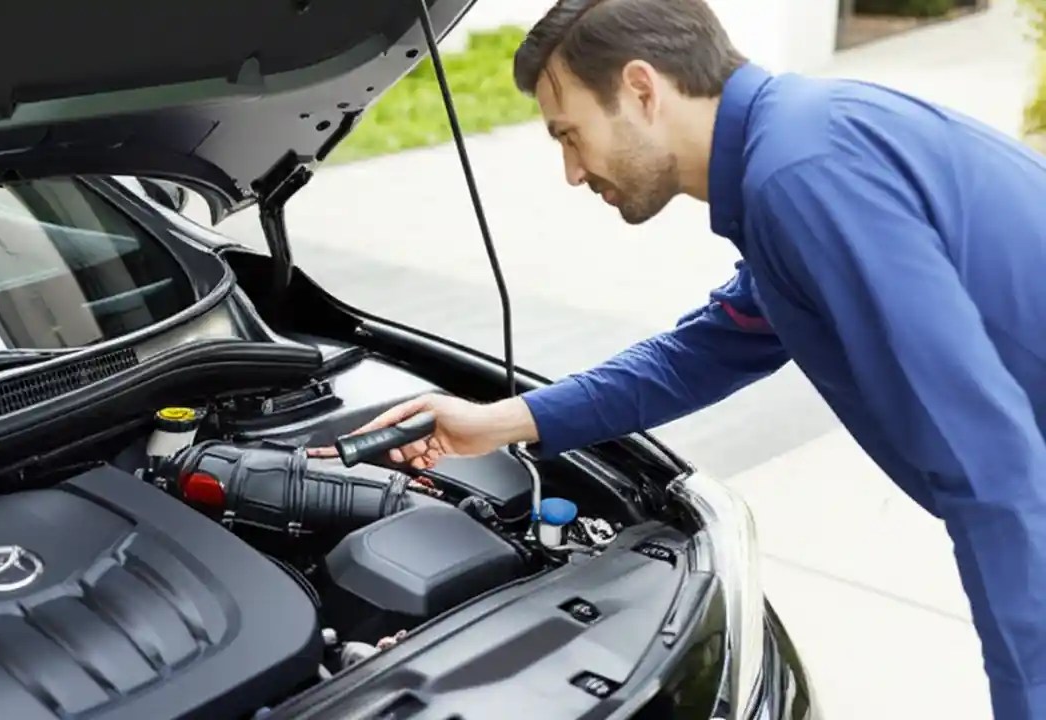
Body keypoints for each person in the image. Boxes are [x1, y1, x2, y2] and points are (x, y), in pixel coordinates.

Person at [308, 0, 1046, 716]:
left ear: (640, 89)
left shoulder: (800, 175)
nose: (571, 171)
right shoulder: (796, 148)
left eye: (570, 134)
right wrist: (500, 422)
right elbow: (701, 354)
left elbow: (990, 471)